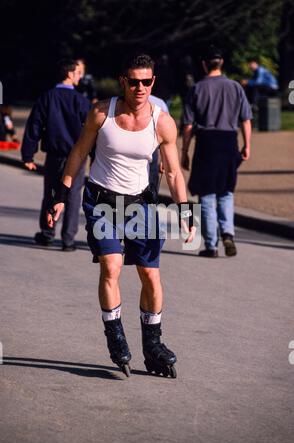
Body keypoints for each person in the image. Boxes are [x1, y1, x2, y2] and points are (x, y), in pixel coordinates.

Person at [48, 53, 196, 377]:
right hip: (102, 199)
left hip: (141, 204)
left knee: (150, 275)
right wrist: (60, 196)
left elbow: (173, 172)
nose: (140, 87)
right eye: (134, 81)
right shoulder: (103, 113)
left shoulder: (162, 121)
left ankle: (153, 344)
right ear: (123, 81)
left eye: (146, 81)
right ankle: (114, 334)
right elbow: (78, 152)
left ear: (152, 82)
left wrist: (186, 211)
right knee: (111, 264)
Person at [182, 46, 252, 258]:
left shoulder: (196, 89)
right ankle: (228, 233)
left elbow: (187, 125)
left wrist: (184, 151)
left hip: (206, 143)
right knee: (226, 191)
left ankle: (211, 244)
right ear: (221, 63)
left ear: (204, 64)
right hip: (229, 141)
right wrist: (247, 144)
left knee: (207, 194)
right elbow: (245, 119)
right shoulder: (236, 87)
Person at [21, 59, 91, 251]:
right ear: (69, 74)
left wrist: (28, 155)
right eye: (77, 73)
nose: (79, 76)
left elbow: (34, 126)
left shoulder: (47, 97)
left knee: (51, 193)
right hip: (77, 157)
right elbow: (92, 130)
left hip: (54, 155)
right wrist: (94, 156)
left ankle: (47, 233)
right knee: (73, 196)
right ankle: (68, 239)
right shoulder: (81, 101)